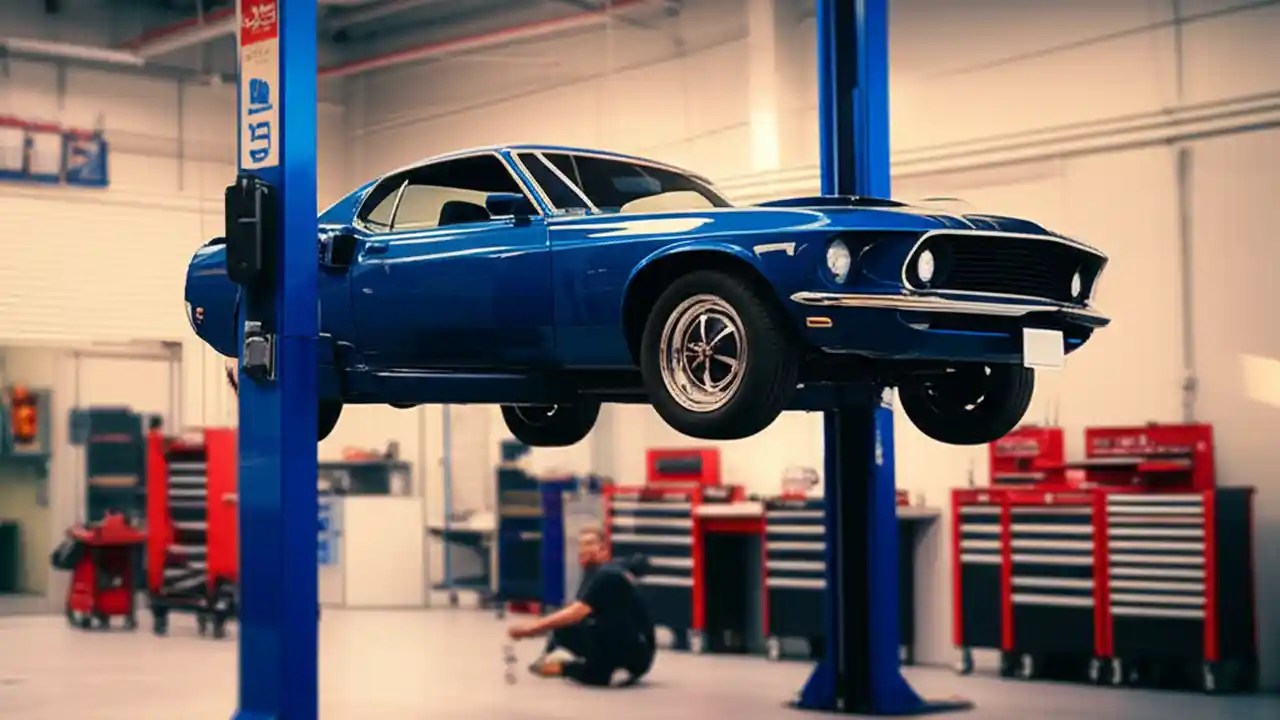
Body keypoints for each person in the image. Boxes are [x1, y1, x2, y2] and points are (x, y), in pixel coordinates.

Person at [507, 527, 655, 687]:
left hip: (636, 653)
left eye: (590, 544)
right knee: (565, 625)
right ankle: (575, 662)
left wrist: (530, 629)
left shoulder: (607, 576)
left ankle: (613, 668)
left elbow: (576, 613)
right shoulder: (597, 572)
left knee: (569, 621)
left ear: (604, 549)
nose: (584, 549)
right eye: (582, 545)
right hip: (619, 640)